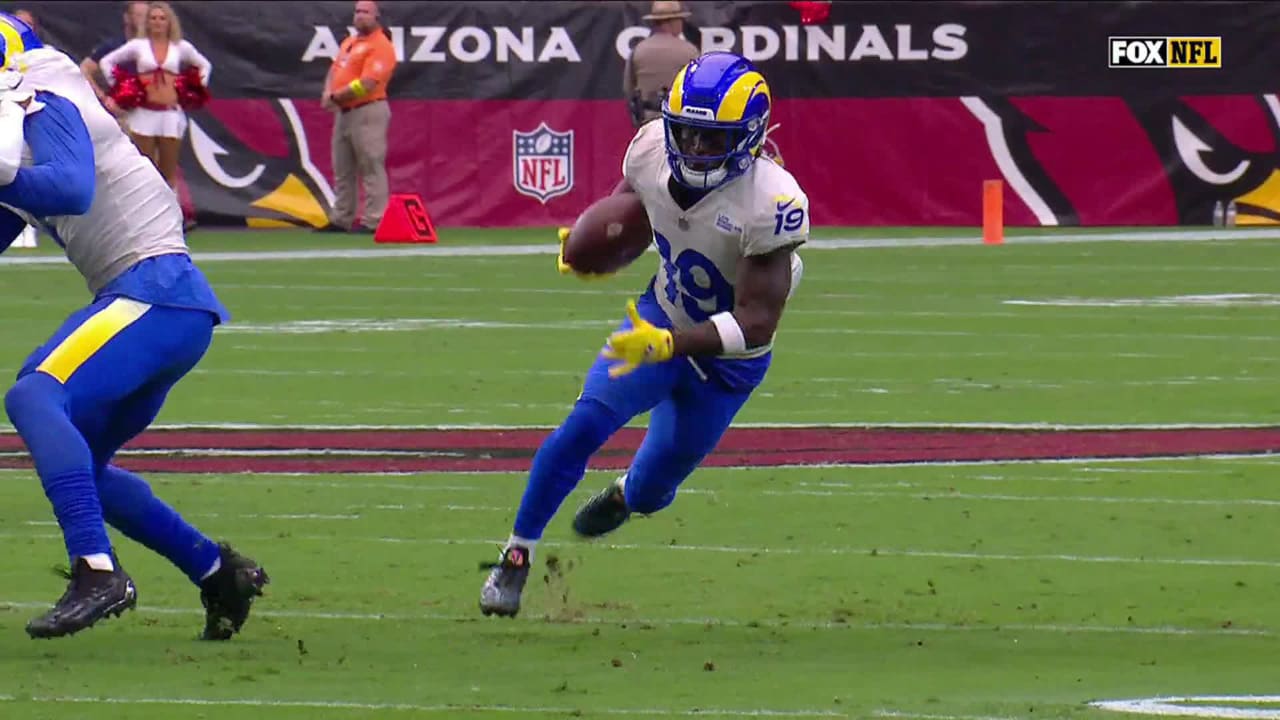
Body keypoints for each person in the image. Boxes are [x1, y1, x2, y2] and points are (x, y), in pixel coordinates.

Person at [481, 52, 808, 617]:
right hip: (659, 317)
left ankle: (629, 494)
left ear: (749, 136)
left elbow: (756, 321)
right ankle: (516, 556)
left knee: (657, 488)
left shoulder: (772, 203)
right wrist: (593, 244)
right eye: (688, 134)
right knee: (583, 425)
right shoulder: (652, 146)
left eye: (713, 139)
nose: (696, 150)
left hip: (727, 363)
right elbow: (633, 206)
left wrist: (674, 346)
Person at [0, 13, 268, 639]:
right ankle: (216, 571)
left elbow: (69, 189)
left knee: (33, 394)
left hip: (154, 292)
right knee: (84, 473)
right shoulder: (24, 112)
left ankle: (98, 571)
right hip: (163, 305)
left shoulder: (41, 93)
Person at [97, 1, 209, 231]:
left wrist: (192, 88)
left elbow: (204, 65)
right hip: (142, 115)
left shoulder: (181, 48)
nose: (157, 22)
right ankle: (141, 221)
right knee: (144, 169)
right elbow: (107, 62)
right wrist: (123, 88)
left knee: (168, 171)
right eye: (153, 18)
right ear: (147, 22)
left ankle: (171, 221)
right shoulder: (138, 46)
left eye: (162, 18)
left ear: (170, 22)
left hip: (170, 115)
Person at [317, 0, 397, 234]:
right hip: (344, 112)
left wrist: (336, 96)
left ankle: (374, 220)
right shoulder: (350, 42)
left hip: (368, 110)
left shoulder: (381, 45)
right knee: (342, 168)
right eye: (357, 11)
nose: (360, 16)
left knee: (371, 164)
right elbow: (334, 70)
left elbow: (369, 83)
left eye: (366, 12)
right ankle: (341, 218)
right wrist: (327, 92)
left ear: (376, 16)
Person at [624, 1, 699, 128]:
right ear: (672, 22)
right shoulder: (689, 51)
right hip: (679, 124)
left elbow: (628, 88)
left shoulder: (638, 50)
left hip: (646, 123)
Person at [80, 1, 149, 128]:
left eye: (146, 17)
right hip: (119, 119)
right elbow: (84, 69)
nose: (143, 21)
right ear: (127, 18)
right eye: (139, 15)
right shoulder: (113, 47)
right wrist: (102, 97)